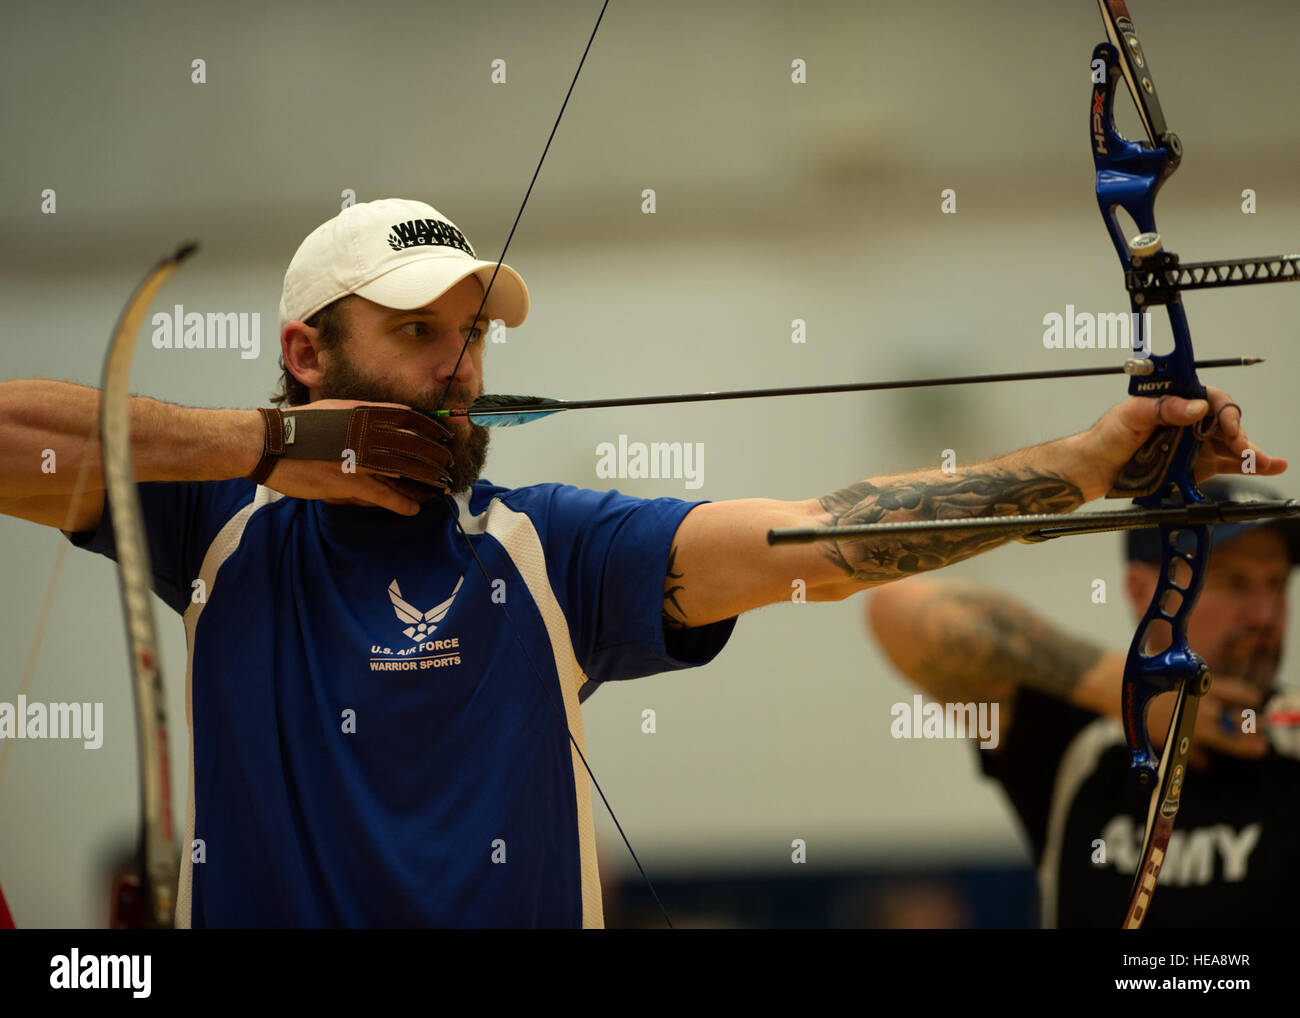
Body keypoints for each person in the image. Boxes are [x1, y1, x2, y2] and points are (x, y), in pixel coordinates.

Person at [0, 197, 1283, 927]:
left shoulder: (542, 547)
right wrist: (278, 448)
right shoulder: (215, 516)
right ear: (305, 351)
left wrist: (1084, 461)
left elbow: (827, 544)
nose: (459, 365)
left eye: (471, 335)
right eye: (415, 333)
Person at [866, 478, 1300, 928]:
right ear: (1143, 591)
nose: (1265, 614)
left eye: (1277, 584)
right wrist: (1136, 698)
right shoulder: (1084, 740)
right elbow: (898, 607)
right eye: (1234, 582)